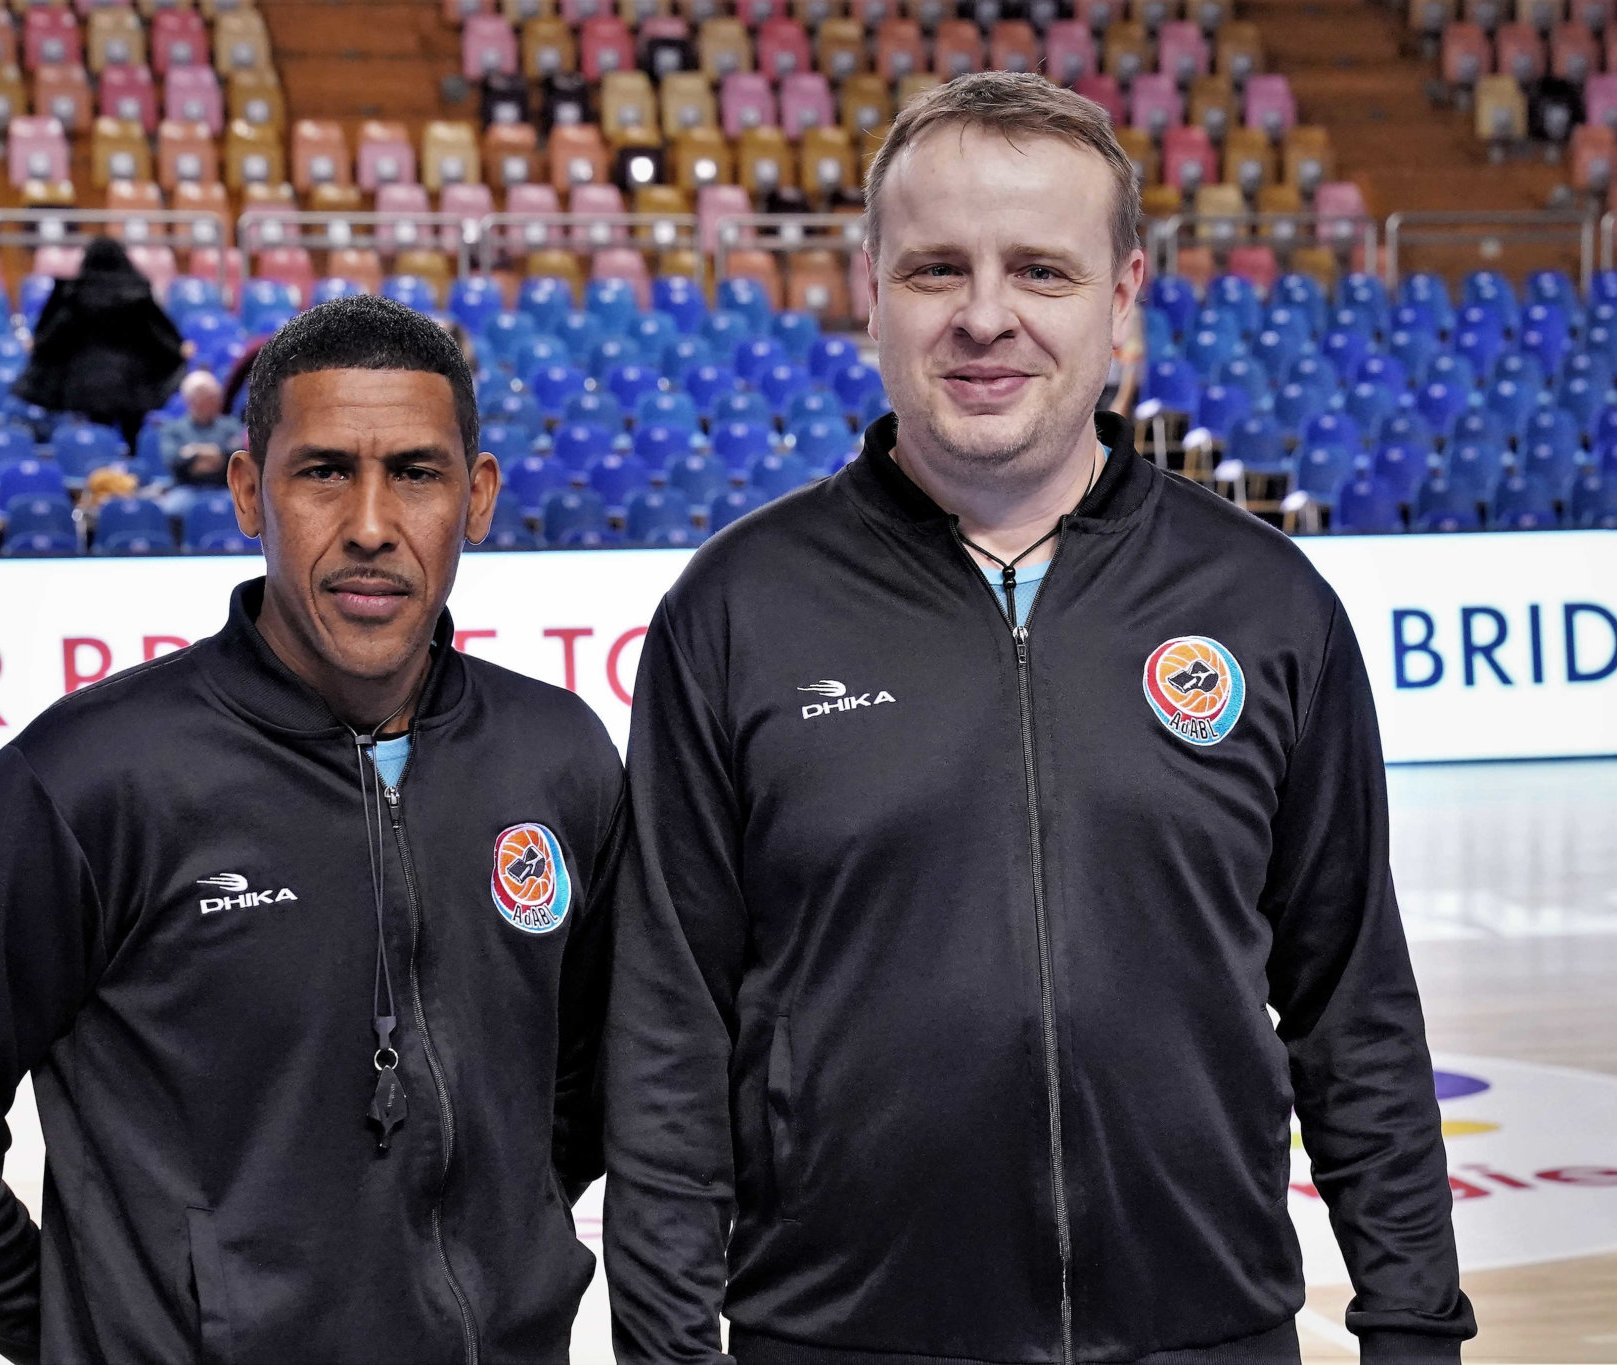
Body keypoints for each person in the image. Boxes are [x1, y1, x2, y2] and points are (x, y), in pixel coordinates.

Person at [604, 71, 1475, 1365]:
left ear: (1123, 299)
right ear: (870, 291)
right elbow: (669, 1028)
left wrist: (1411, 1326)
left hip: (1206, 1336)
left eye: (1044, 273)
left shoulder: (1266, 607)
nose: (986, 317)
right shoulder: (736, 613)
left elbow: (1353, 1006)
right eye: (938, 269)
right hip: (836, 1339)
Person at [0, 295, 628, 1364]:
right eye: (323, 470)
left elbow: (595, 1076)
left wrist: (502, 1237)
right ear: (250, 490)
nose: (373, 525)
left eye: (418, 473)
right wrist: (100, 1335)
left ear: (475, 497)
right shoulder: (86, 782)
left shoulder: (557, 754)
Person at [11, 236, 187, 451]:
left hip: (86, 382)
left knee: (97, 435)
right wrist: (177, 349)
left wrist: (39, 345)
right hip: (131, 381)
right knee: (133, 434)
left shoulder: (73, 293)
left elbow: (56, 332)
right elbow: (157, 333)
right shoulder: (137, 292)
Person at [158, 369, 245, 514]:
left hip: (225, 487)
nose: (216, 401)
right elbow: (173, 461)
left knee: (250, 506)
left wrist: (196, 452)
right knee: (171, 510)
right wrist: (216, 457)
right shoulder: (173, 430)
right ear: (192, 400)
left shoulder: (232, 426)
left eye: (215, 396)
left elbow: (240, 456)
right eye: (208, 397)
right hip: (187, 488)